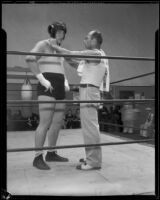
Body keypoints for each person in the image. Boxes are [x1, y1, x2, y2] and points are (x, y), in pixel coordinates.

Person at [50, 30, 110, 170]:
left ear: (94, 41)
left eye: (87, 38)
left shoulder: (96, 53)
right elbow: (74, 62)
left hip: (89, 91)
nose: (84, 40)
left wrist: (55, 46)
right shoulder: (91, 59)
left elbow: (73, 53)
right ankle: (91, 157)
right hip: (87, 91)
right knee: (88, 127)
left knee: (90, 128)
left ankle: (93, 162)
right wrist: (64, 55)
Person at [25, 21, 70, 170]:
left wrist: (66, 81)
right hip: (47, 86)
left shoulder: (60, 49)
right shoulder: (43, 44)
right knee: (44, 122)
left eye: (62, 32)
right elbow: (29, 58)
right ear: (52, 32)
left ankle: (51, 152)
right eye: (57, 31)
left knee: (57, 123)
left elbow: (61, 66)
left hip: (60, 86)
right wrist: (42, 79)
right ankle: (38, 157)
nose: (60, 34)